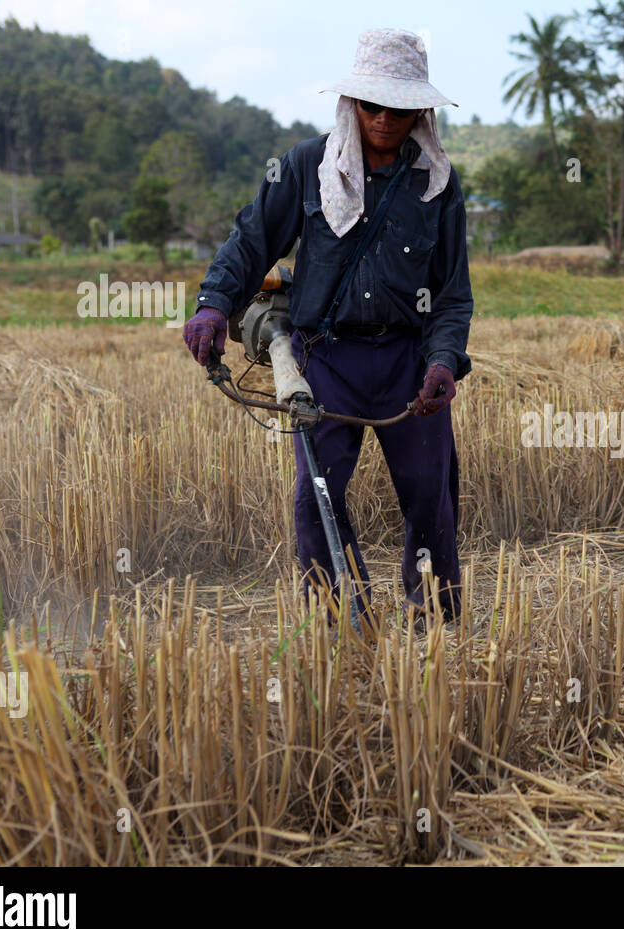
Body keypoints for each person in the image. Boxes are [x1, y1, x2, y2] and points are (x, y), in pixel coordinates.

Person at [182, 28, 471, 624]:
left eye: (400, 107)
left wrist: (443, 362)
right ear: (352, 102)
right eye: (372, 105)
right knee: (317, 502)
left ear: (422, 108)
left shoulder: (436, 184)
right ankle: (344, 624)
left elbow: (452, 296)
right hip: (325, 359)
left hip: (407, 360)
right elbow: (251, 242)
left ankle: (435, 625)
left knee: (430, 500)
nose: (385, 119)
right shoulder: (304, 167)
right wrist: (213, 303)